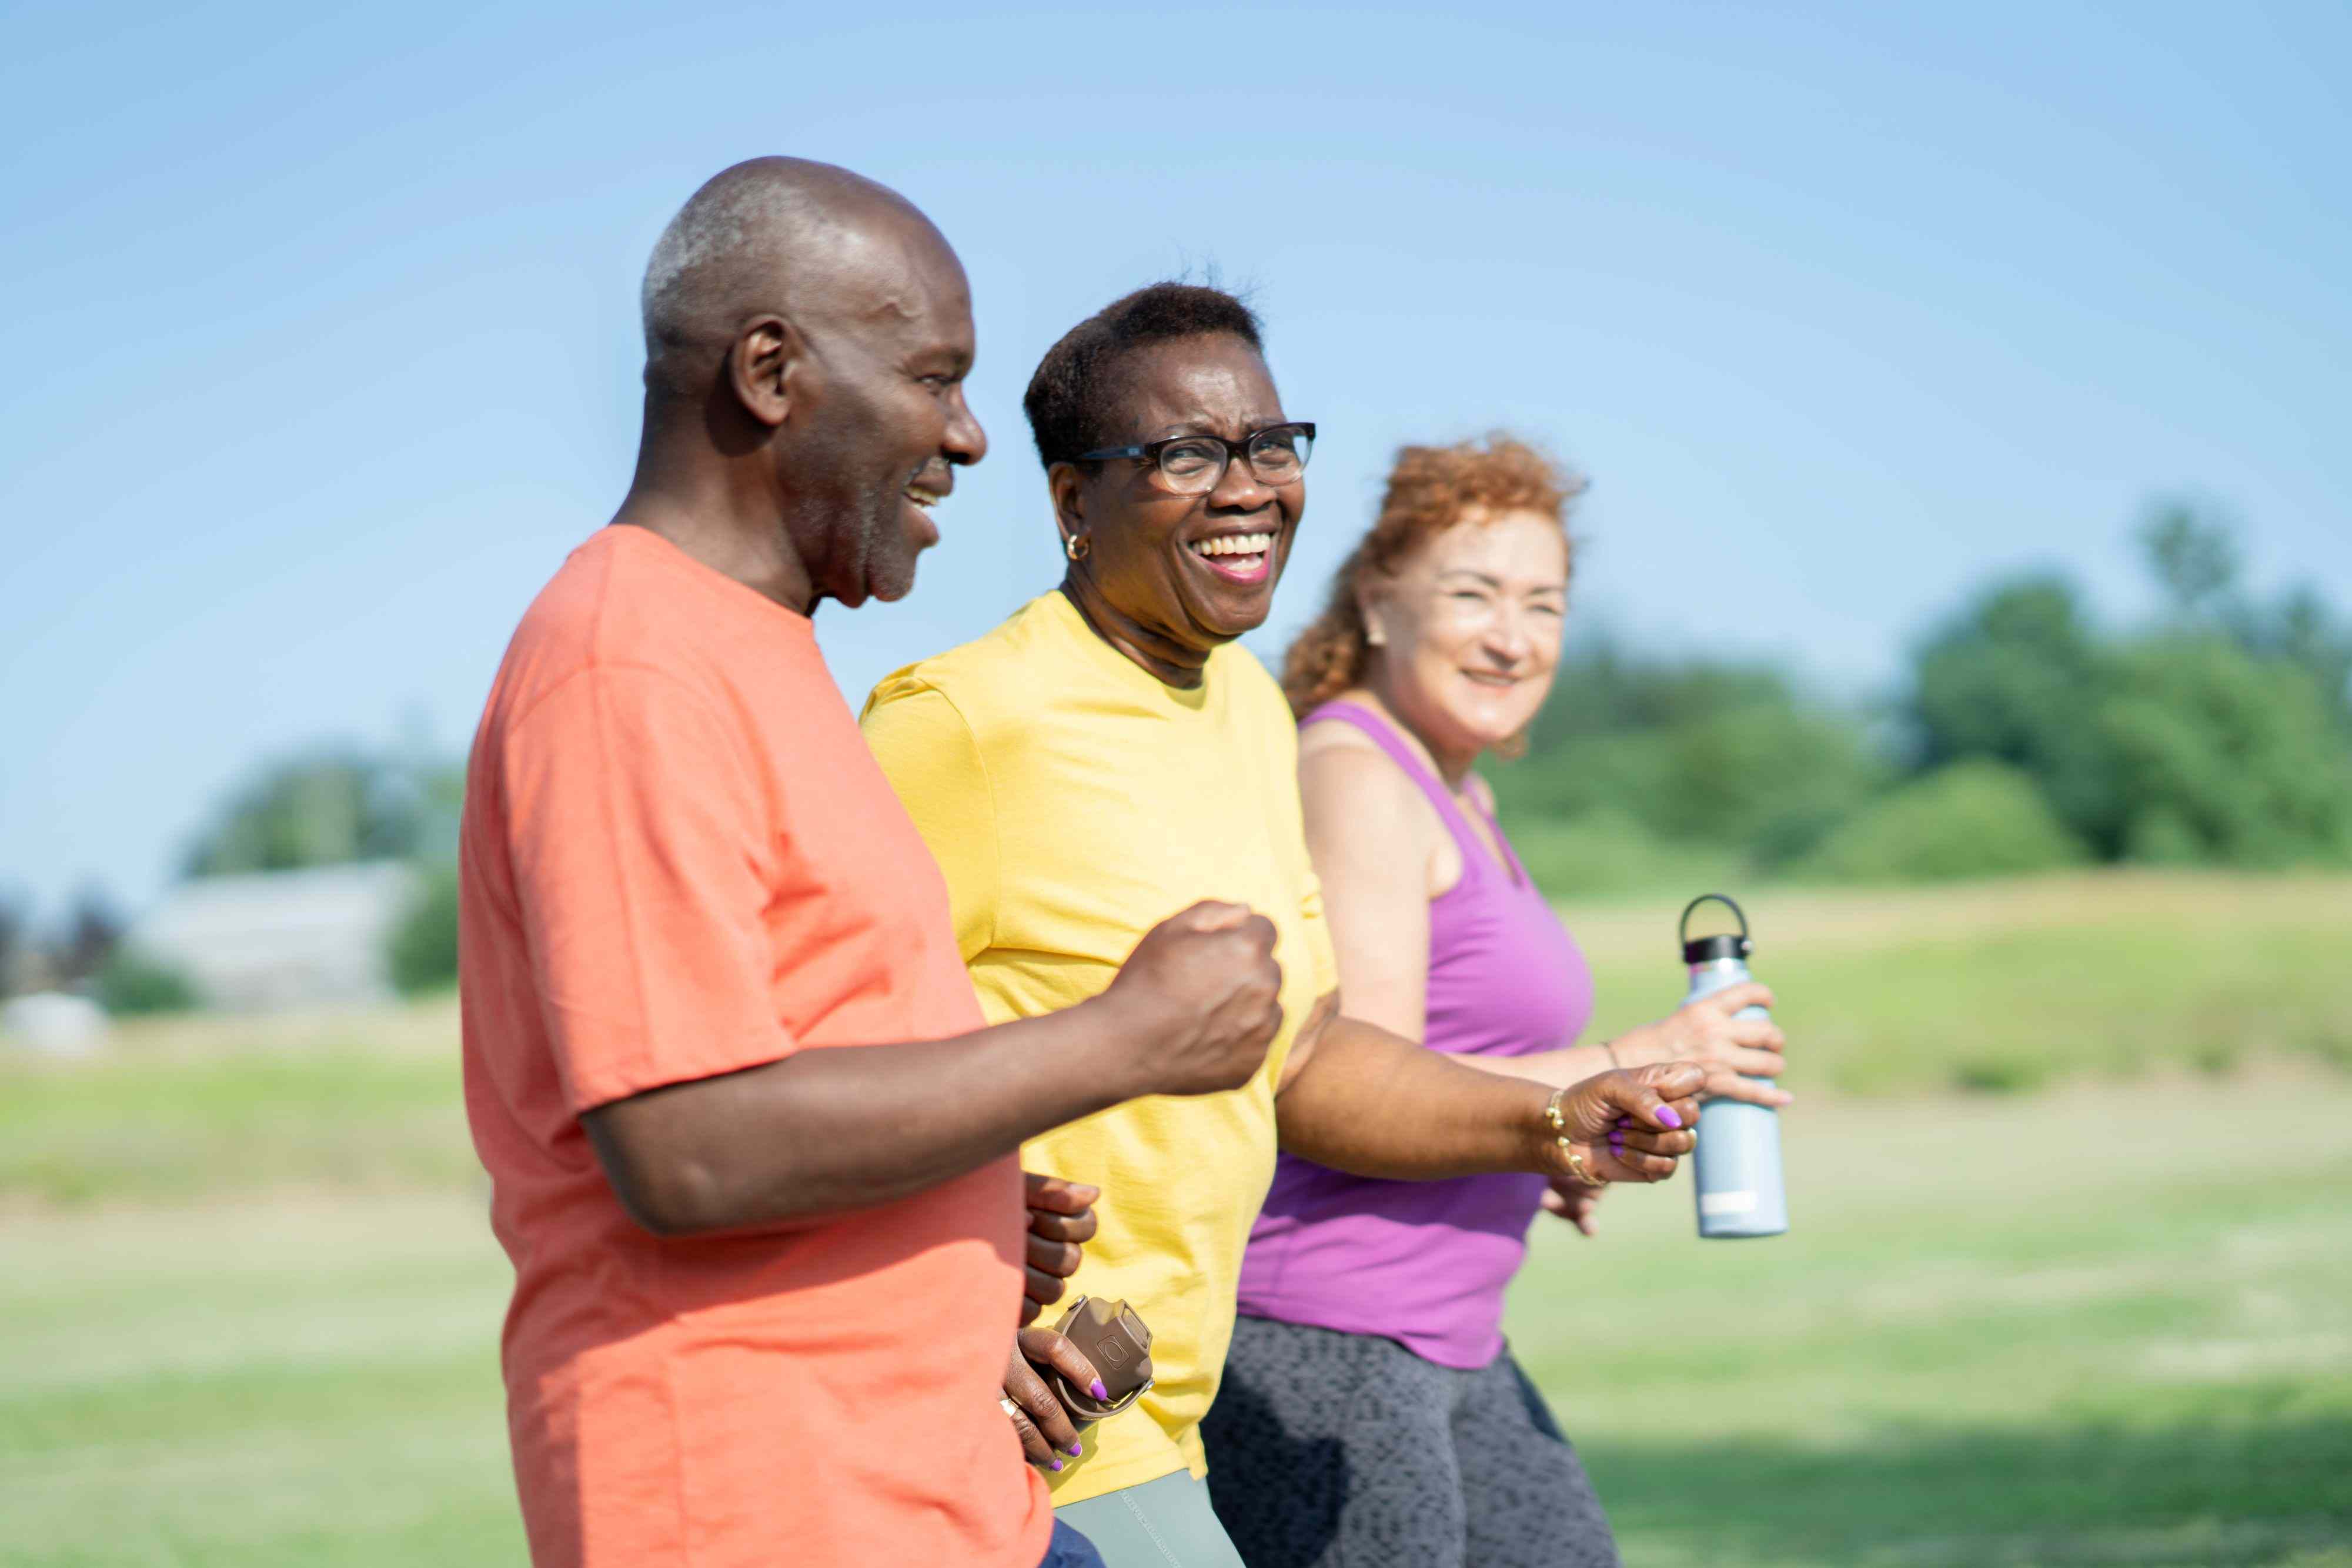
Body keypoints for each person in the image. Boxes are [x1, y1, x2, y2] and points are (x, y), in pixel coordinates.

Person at [457, 162, 1292, 1568]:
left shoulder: (761, 653)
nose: (968, 438)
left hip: (942, 1485)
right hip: (758, 1502)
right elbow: (688, 1141)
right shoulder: (625, 663)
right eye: (933, 377)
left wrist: (951, 1202)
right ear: (772, 370)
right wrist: (1120, 1037)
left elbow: (789, 1063)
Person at [861, 283, 1708, 1567]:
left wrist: (1551, 1117)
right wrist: (949, 1309)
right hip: (1032, 1425)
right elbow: (817, 1062)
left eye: (1267, 444)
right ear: (1070, 502)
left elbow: (1306, 1059)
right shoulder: (965, 723)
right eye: (1184, 453)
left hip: (1178, 1398)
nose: (1246, 485)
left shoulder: (1254, 714)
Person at [1202, 436, 1795, 1568]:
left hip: (1447, 1342)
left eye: (1545, 604)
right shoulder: (1358, 771)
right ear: (1379, 604)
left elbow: (1453, 1058)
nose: (1513, 636)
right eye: (1473, 594)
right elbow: (1349, 1071)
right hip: (1330, 1341)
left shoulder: (1452, 785)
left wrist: (1542, 1151)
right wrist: (1624, 1058)